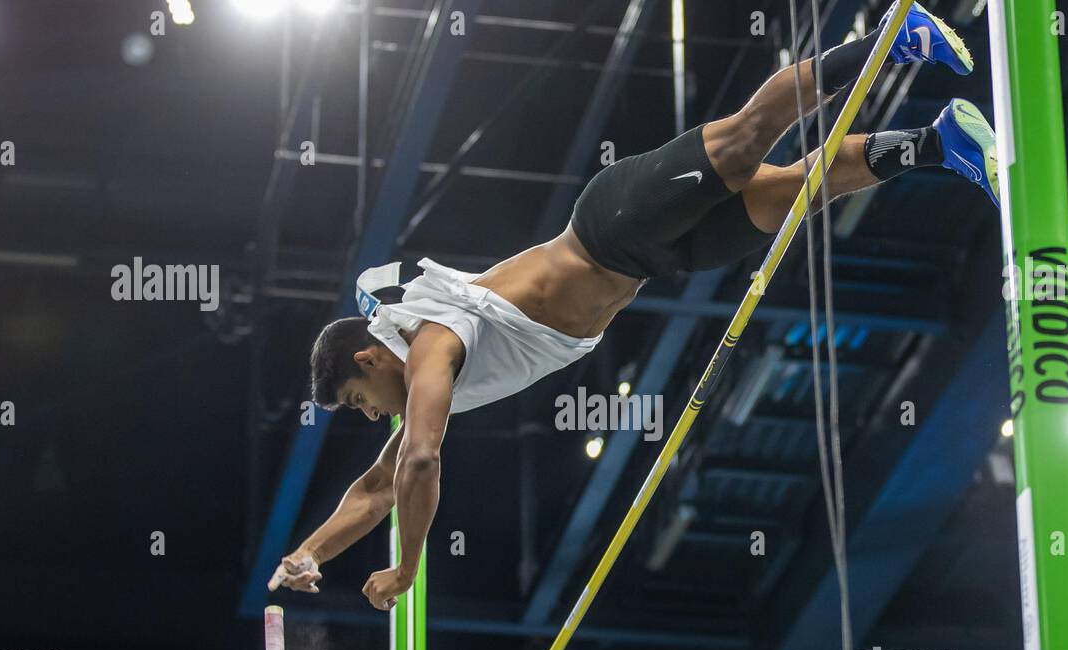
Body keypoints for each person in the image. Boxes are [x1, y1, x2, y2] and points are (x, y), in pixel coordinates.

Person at [271, 1, 998, 609]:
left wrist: (408, 567)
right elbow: (377, 487)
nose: (375, 416)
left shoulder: (431, 349)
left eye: (360, 400)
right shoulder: (426, 380)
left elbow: (420, 461)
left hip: (612, 226)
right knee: (797, 192)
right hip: (648, 262)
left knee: (745, 142)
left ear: (371, 356)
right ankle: (941, 143)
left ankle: (895, 35)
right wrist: (309, 552)